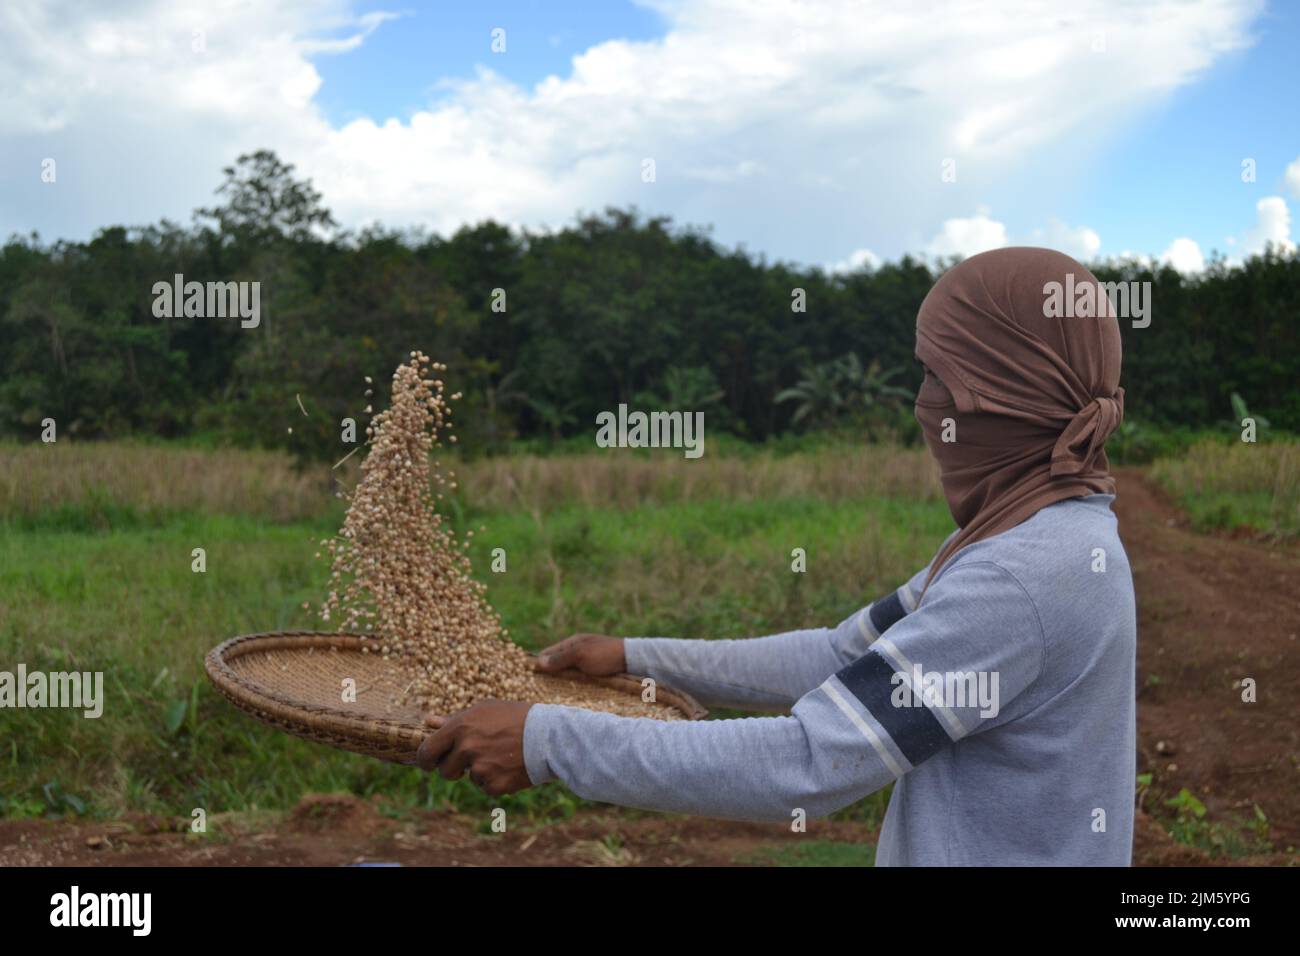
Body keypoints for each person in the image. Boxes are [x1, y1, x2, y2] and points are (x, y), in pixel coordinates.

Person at [416, 246, 1137, 866]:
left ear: (999, 394)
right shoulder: (1031, 535)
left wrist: (549, 743)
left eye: (937, 378)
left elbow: (808, 762)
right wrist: (635, 656)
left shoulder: (1022, 575)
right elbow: (835, 658)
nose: (923, 402)